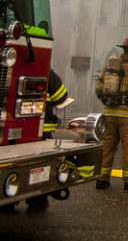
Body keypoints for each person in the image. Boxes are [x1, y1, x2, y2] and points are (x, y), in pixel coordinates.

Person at [94, 35, 128, 191]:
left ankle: (102, 179)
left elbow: (99, 89)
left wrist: (109, 103)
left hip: (110, 115)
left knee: (107, 146)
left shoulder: (111, 67)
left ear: (124, 50)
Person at [26, 69, 72, 210]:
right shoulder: (45, 70)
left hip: (16, 130)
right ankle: (37, 199)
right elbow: (61, 96)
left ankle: (9, 203)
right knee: (39, 165)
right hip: (40, 130)